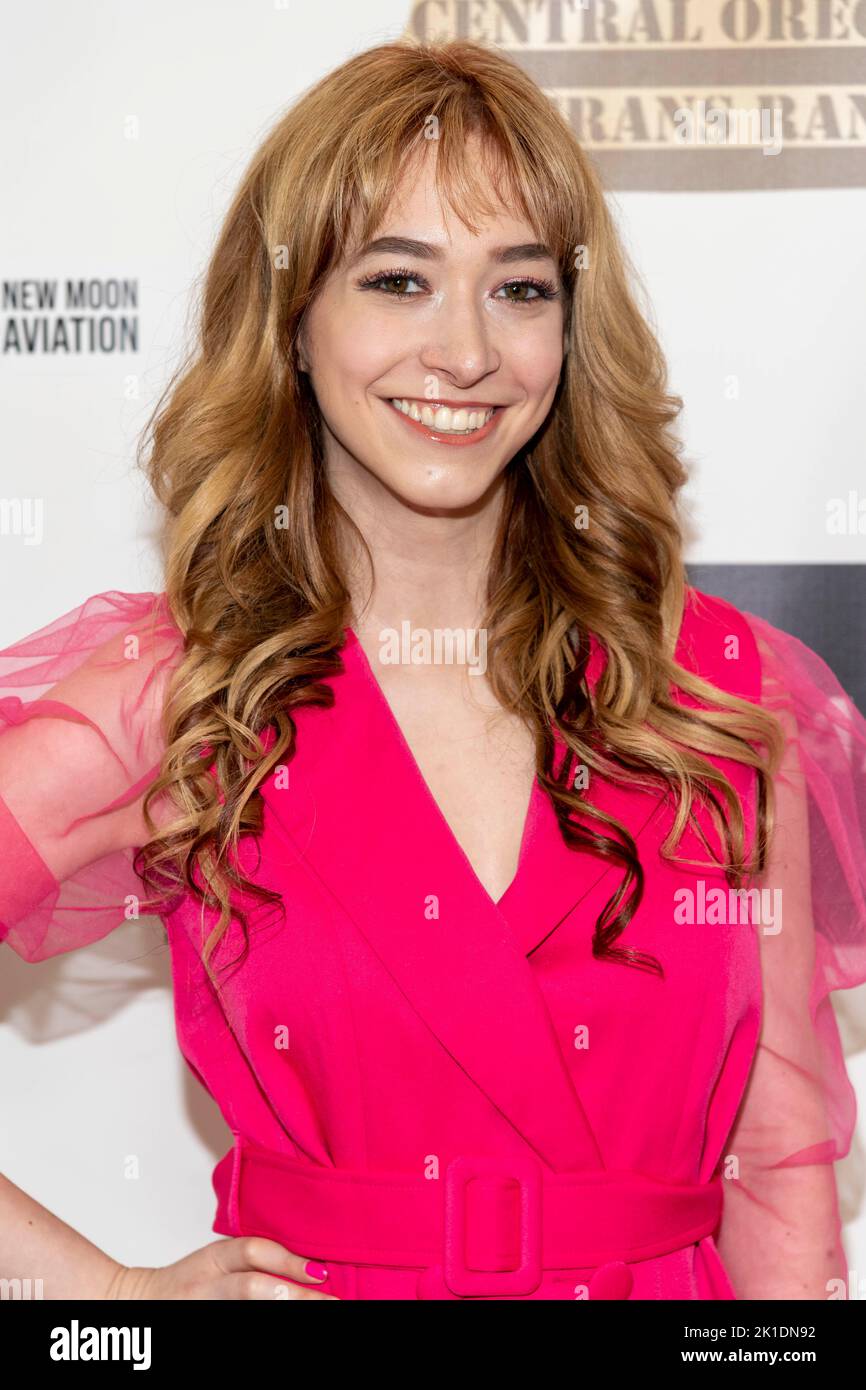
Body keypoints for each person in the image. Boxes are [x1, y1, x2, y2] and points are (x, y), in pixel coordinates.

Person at [2, 38, 865, 1303]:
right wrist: (108, 1309)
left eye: (518, 289)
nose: (464, 351)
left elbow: (777, 1163)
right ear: (290, 320)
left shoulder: (715, 693)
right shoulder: (178, 693)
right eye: (398, 281)